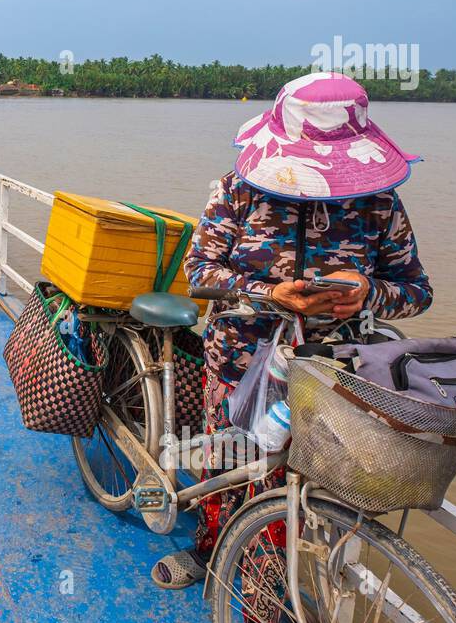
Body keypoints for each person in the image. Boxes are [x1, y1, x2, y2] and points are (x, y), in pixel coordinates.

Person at [151, 72, 434, 590]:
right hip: (239, 362)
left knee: (300, 480)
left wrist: (368, 292)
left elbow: (417, 290)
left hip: (330, 372)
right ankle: (209, 547)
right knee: (229, 459)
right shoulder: (239, 189)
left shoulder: (379, 203)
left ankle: (274, 586)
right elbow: (199, 271)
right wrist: (269, 294)